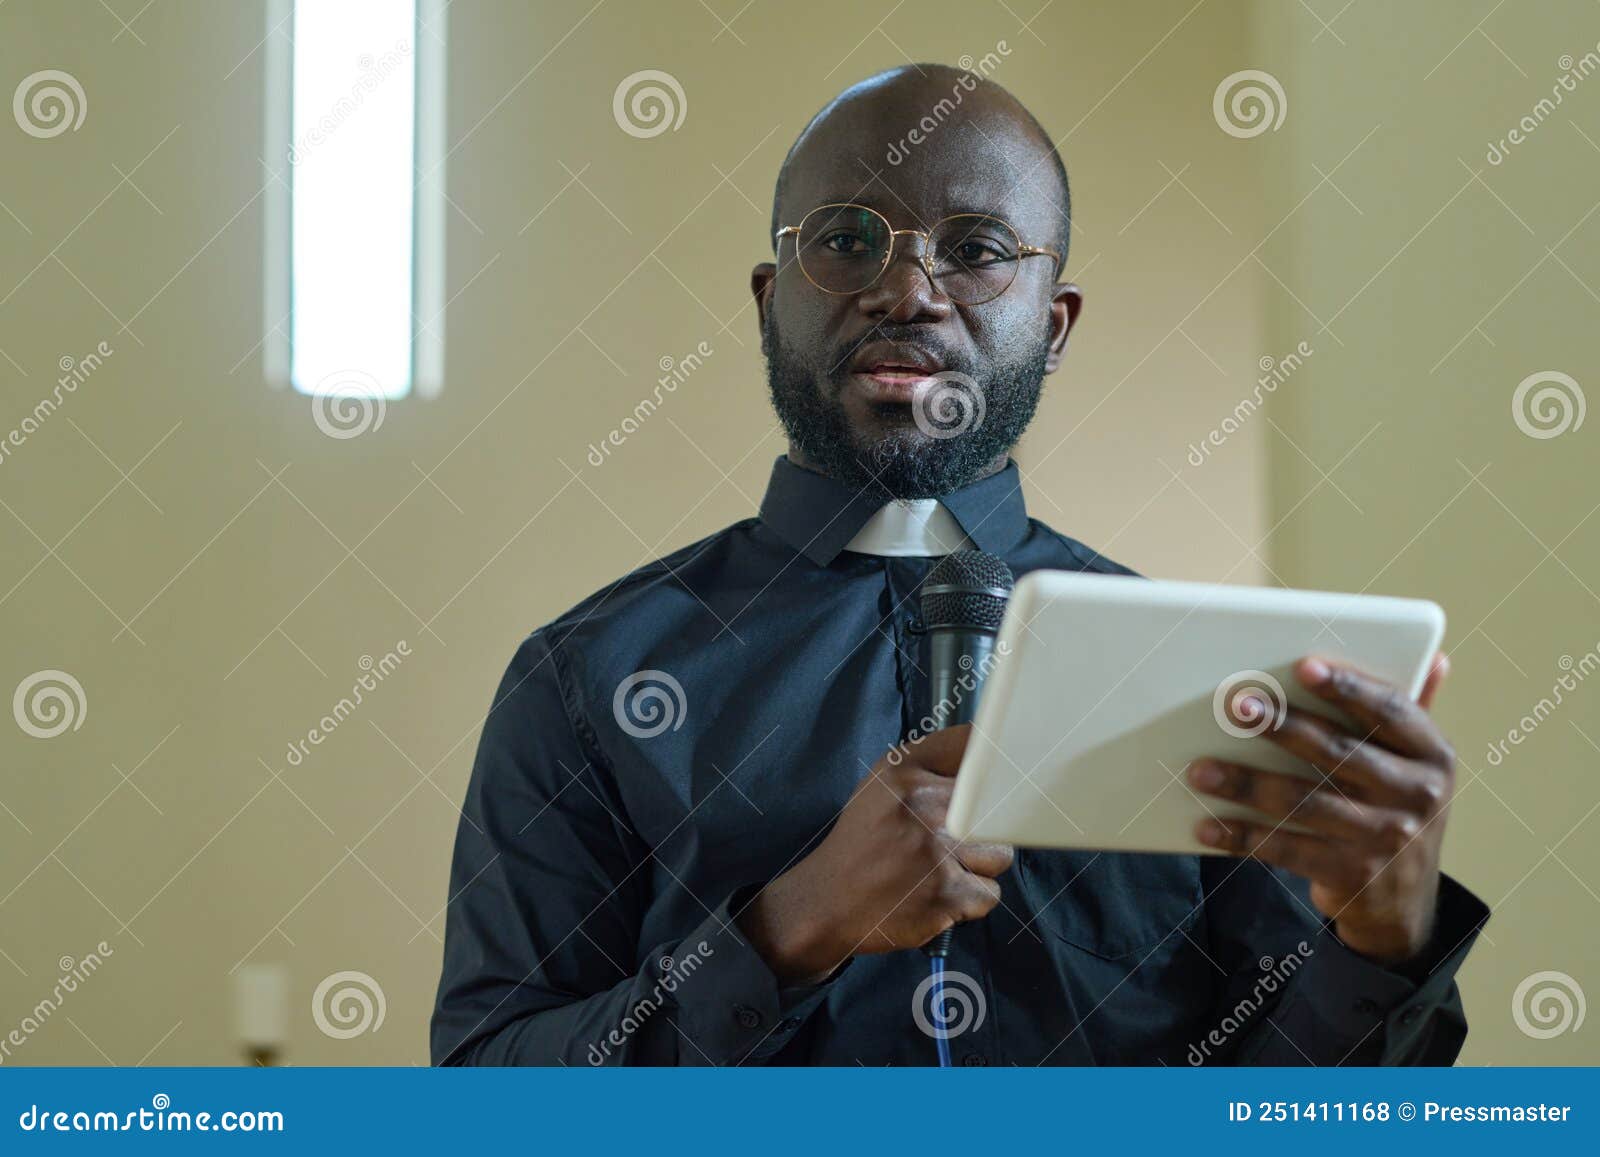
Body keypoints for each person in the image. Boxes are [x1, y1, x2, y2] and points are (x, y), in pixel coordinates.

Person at [431, 65, 1488, 1066]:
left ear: (1055, 323)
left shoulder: (1198, 681)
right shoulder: (587, 678)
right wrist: (792, 926)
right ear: (768, 303)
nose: (908, 290)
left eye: (977, 247)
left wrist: (1383, 943)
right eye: (846, 240)